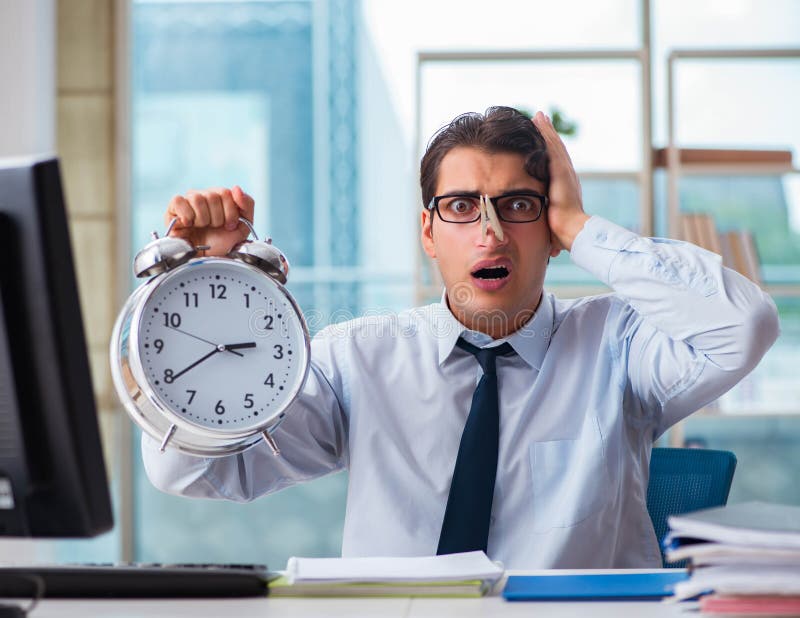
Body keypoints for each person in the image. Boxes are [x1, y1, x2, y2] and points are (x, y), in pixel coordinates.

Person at [143, 106, 780, 569]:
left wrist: (581, 224)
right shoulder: (358, 360)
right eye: (461, 206)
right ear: (428, 232)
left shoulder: (619, 348)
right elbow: (186, 468)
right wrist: (206, 290)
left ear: (551, 231)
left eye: (519, 206)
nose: (492, 232)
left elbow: (743, 325)